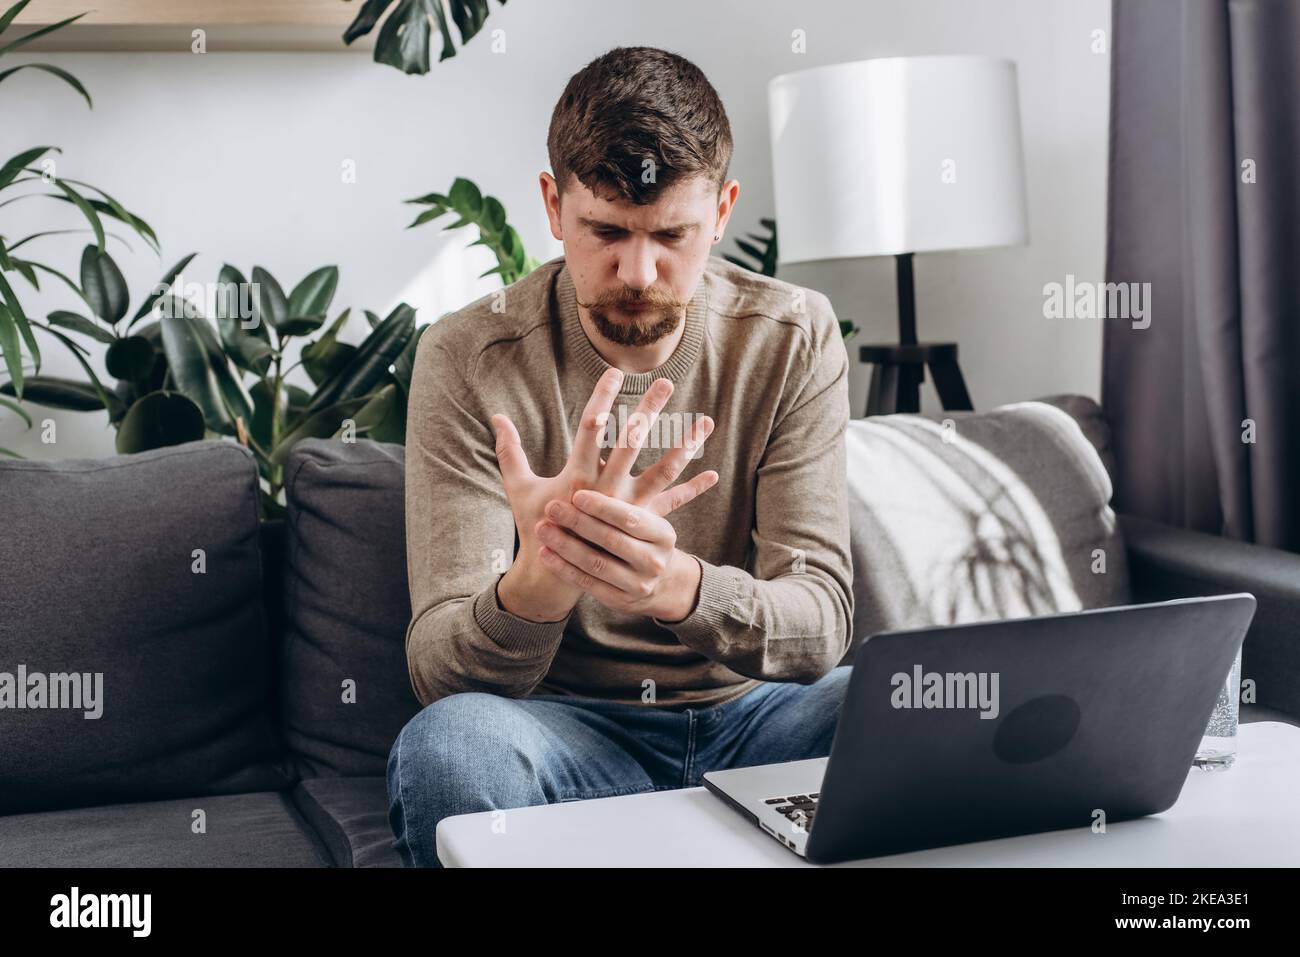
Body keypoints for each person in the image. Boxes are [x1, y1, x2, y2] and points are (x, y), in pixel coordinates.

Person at [387, 45, 854, 867]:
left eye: (670, 234)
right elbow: (439, 669)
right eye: (605, 231)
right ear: (553, 206)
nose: (637, 272)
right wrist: (543, 578)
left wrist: (672, 586)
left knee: (940, 706)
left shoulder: (792, 337)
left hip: (757, 721)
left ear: (721, 211)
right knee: (450, 749)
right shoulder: (468, 354)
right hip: (567, 731)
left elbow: (820, 621)